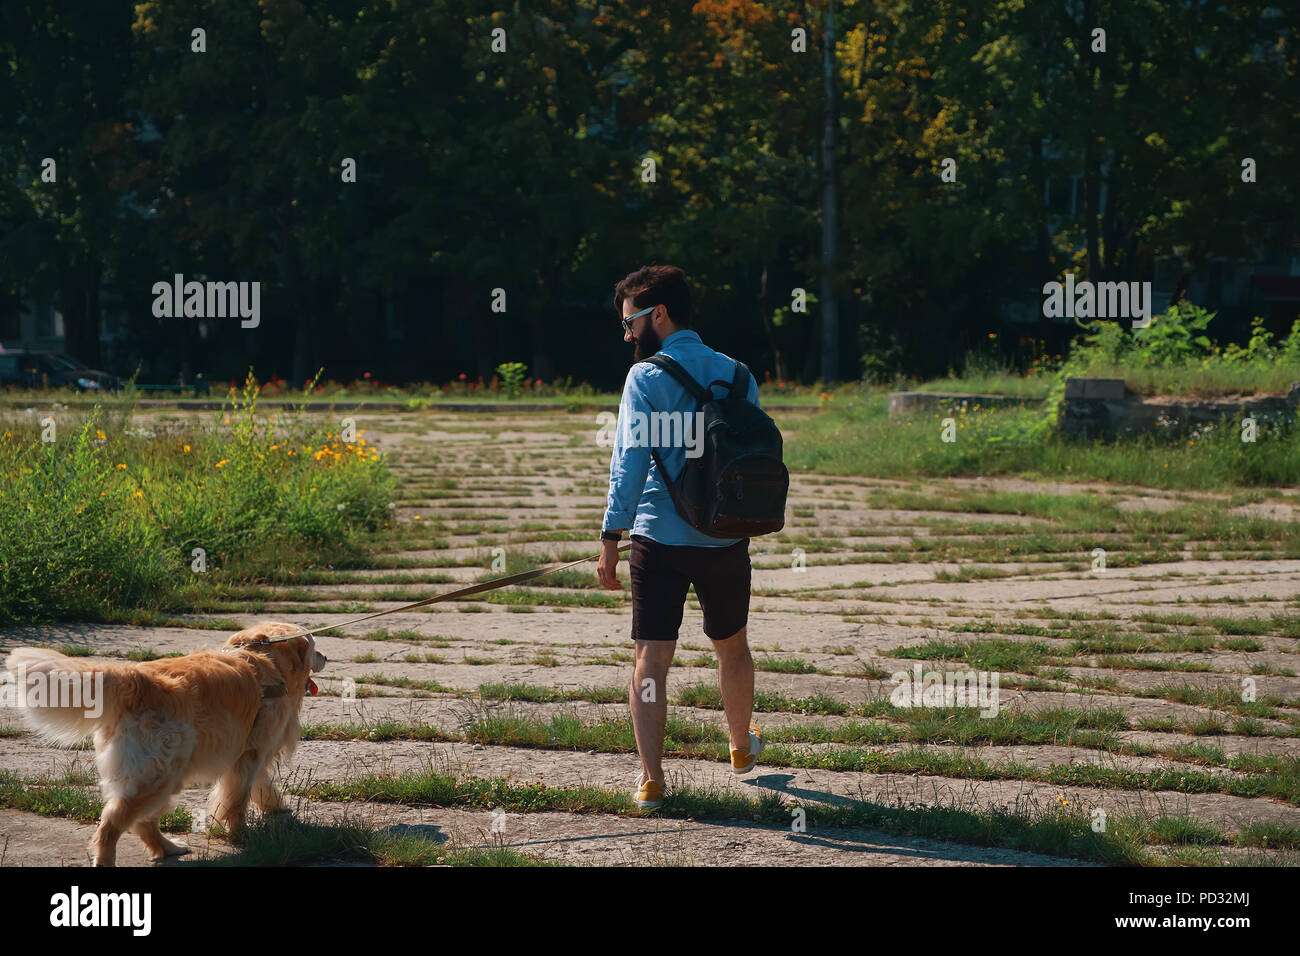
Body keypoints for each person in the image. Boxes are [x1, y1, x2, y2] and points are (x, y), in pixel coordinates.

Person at [596, 264, 763, 810]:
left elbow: (630, 463)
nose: (627, 335)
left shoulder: (644, 379)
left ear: (658, 315)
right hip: (724, 539)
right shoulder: (738, 375)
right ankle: (740, 748)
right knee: (732, 646)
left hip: (658, 541)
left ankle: (651, 779)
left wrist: (611, 536)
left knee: (651, 657)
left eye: (630, 323)